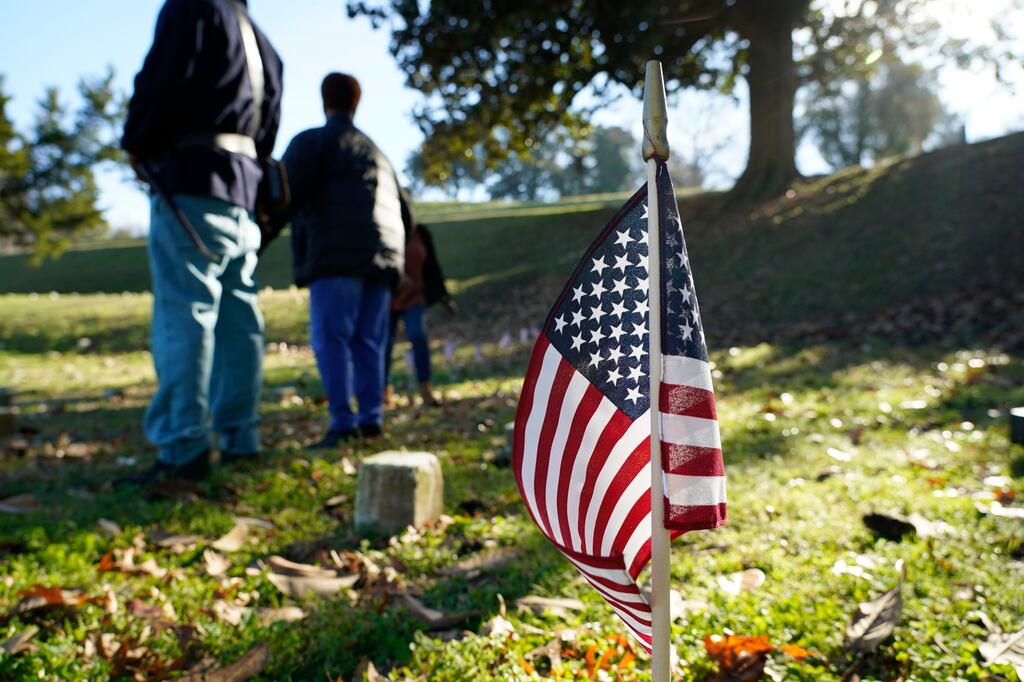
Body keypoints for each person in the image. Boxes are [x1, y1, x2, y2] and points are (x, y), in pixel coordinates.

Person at [118, 0, 283, 484]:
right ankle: (240, 436)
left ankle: (183, 444)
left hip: (192, 179)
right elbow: (269, 120)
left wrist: (136, 141)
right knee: (238, 316)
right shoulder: (261, 39)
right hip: (243, 186)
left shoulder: (192, 7)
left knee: (185, 311)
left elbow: (162, 78)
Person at [271, 73, 411, 447]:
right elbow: (405, 211)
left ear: (324, 100)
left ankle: (342, 422)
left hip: (335, 257)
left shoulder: (313, 142)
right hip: (382, 259)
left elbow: (284, 195)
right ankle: (371, 418)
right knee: (369, 340)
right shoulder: (379, 153)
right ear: (356, 102)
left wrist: (258, 237)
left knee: (331, 338)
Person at [385, 223, 454, 406]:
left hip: (415, 297)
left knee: (418, 334)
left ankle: (425, 389)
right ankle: (383, 392)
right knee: (384, 342)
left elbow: (432, 265)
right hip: (388, 297)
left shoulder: (420, 233)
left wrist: (443, 296)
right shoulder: (385, 227)